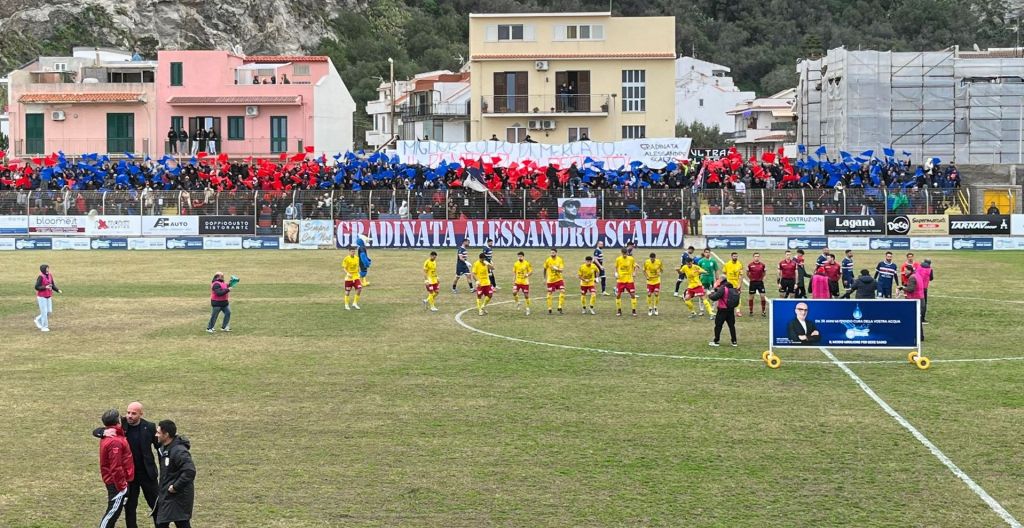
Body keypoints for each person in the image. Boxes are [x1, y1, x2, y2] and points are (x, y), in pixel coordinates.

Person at [93, 402, 160, 528]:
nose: (129, 416)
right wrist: (103, 432)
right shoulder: (121, 423)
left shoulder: (149, 427)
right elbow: (97, 430)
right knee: (130, 507)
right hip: (129, 476)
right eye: (128, 412)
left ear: (141, 414)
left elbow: (159, 446)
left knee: (156, 505)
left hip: (147, 474)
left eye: (133, 413)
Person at [153, 420, 196, 528]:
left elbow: (189, 471)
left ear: (166, 434)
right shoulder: (166, 448)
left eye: (158, 432)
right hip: (169, 496)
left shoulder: (179, 451)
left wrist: (175, 487)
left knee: (177, 523)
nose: (156, 435)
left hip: (178, 497)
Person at [98, 409, 134, 528]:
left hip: (115, 481)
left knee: (114, 512)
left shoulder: (111, 434)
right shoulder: (115, 441)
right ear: (117, 420)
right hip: (116, 483)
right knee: (112, 513)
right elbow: (116, 467)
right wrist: (122, 486)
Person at [708, 277, 738, 347]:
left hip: (722, 310)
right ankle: (734, 341)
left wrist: (709, 294)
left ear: (721, 280)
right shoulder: (731, 287)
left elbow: (714, 297)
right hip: (730, 309)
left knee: (718, 326)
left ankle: (716, 341)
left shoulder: (723, 288)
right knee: (731, 326)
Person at [34, 263, 61, 332]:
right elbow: (37, 287)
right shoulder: (40, 277)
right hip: (41, 297)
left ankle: (37, 319)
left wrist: (57, 290)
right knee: (44, 312)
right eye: (46, 269)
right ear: (43, 270)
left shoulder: (50, 275)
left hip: (48, 296)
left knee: (49, 311)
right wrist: (45, 287)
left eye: (48, 268)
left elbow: (52, 285)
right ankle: (44, 327)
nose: (48, 270)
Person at [614, 247, 639, 317]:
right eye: (623, 254)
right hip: (620, 280)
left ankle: (634, 310)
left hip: (629, 280)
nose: (625, 255)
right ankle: (619, 310)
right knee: (618, 295)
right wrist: (615, 273)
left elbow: (634, 265)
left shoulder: (631, 259)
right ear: (621, 253)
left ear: (627, 253)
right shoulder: (618, 259)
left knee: (632, 295)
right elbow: (616, 267)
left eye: (626, 254)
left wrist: (634, 272)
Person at [543, 248, 567, 315]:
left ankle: (560, 307)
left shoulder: (560, 260)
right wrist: (544, 278)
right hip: (550, 280)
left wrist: (557, 269)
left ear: (556, 253)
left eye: (553, 252)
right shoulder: (548, 260)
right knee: (549, 294)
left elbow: (561, 270)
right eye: (551, 252)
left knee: (562, 291)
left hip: (559, 279)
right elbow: (544, 269)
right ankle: (549, 309)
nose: (552, 254)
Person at [723, 252, 744, 317]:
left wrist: (740, 285)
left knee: (738, 298)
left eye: (736, 256)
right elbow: (724, 274)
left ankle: (738, 311)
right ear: (731, 256)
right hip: (728, 285)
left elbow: (741, 276)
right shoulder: (727, 264)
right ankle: (728, 310)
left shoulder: (739, 264)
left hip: (736, 285)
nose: (735, 257)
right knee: (728, 298)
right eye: (734, 256)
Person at [747, 252, 767, 317]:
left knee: (763, 296)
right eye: (755, 256)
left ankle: (763, 311)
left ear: (759, 257)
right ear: (753, 257)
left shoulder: (762, 265)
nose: (757, 257)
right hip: (752, 283)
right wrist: (750, 278)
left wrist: (762, 278)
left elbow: (764, 272)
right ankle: (751, 311)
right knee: (751, 297)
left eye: (758, 256)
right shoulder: (750, 265)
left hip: (760, 283)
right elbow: (747, 273)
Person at [342, 246, 362, 310]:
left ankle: (355, 303)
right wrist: (347, 273)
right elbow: (344, 268)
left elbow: (357, 266)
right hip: (349, 278)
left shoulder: (357, 258)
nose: (353, 252)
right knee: (347, 292)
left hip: (356, 277)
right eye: (352, 251)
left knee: (359, 289)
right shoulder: (346, 259)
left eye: (354, 251)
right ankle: (346, 305)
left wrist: (358, 272)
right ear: (349, 252)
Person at [918, 259, 933, 324]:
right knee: (924, 304)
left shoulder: (918, 267)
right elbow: (931, 278)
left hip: (917, 287)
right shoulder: (930, 269)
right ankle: (922, 319)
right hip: (924, 288)